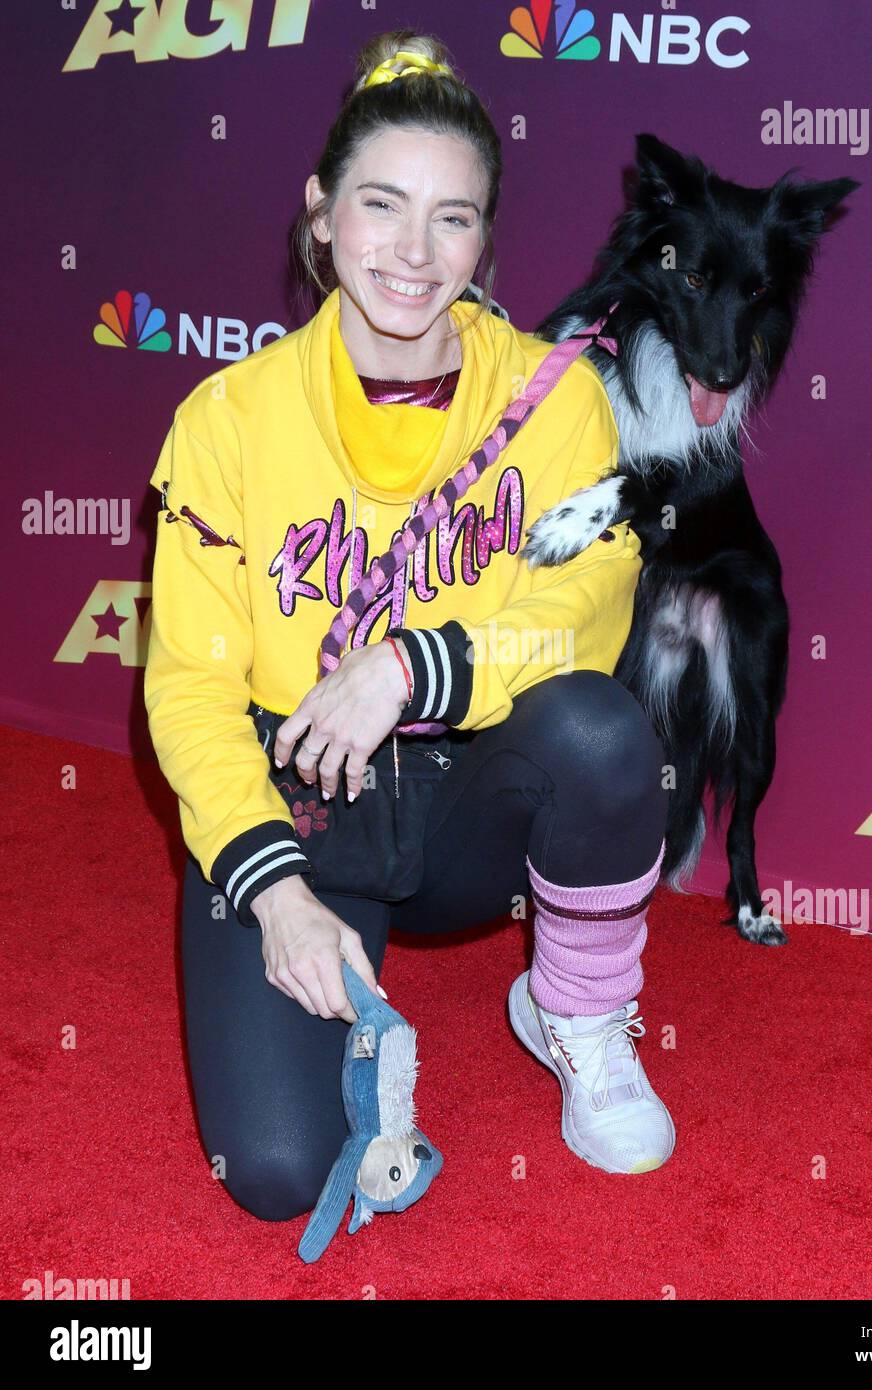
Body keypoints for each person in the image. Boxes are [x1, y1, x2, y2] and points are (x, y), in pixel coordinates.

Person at [144, 28, 673, 1221]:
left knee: (597, 728)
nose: (414, 251)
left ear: (486, 237)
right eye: (382, 204)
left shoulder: (551, 395)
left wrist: (418, 663)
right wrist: (274, 893)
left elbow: (592, 598)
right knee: (278, 1172)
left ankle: (575, 1010)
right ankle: (312, 926)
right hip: (304, 809)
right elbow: (186, 684)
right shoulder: (226, 419)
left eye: (454, 217)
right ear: (321, 212)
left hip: (468, 801)